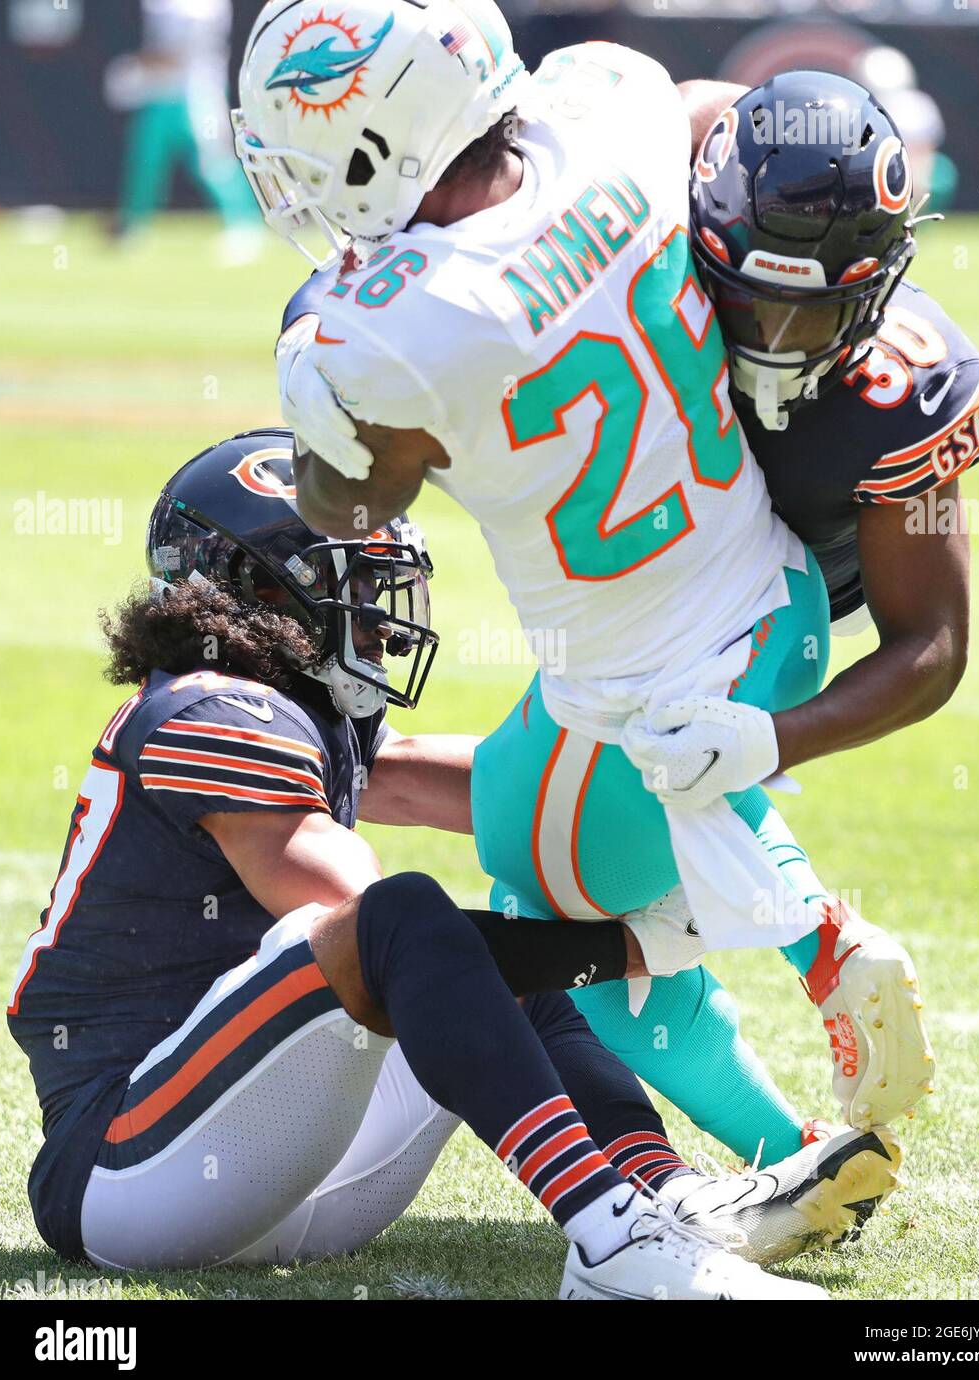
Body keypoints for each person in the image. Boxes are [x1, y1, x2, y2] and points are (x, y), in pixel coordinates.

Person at [234, 6, 933, 1135]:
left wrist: (309, 376)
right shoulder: (605, 106)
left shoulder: (394, 333)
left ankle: (791, 1125)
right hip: (785, 611)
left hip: (637, 696)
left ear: (381, 135)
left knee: (546, 905)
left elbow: (352, 501)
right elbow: (723, 125)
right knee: (547, 786)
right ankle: (796, 931)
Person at [8, 430, 844, 1300]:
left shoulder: (300, 715)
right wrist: (628, 946)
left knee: (493, 942)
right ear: (260, 587)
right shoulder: (210, 709)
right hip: (128, 1164)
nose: (377, 607)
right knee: (411, 919)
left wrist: (653, 786)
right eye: (356, 579)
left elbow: (488, 796)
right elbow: (379, 930)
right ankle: (610, 1245)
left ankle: (662, 1199)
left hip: (279, 1172)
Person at [106, 0, 261, 263]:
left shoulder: (200, 7)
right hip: (158, 91)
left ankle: (244, 226)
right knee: (145, 162)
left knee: (212, 162)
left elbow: (179, 52)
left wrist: (136, 65)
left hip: (197, 91)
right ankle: (131, 226)